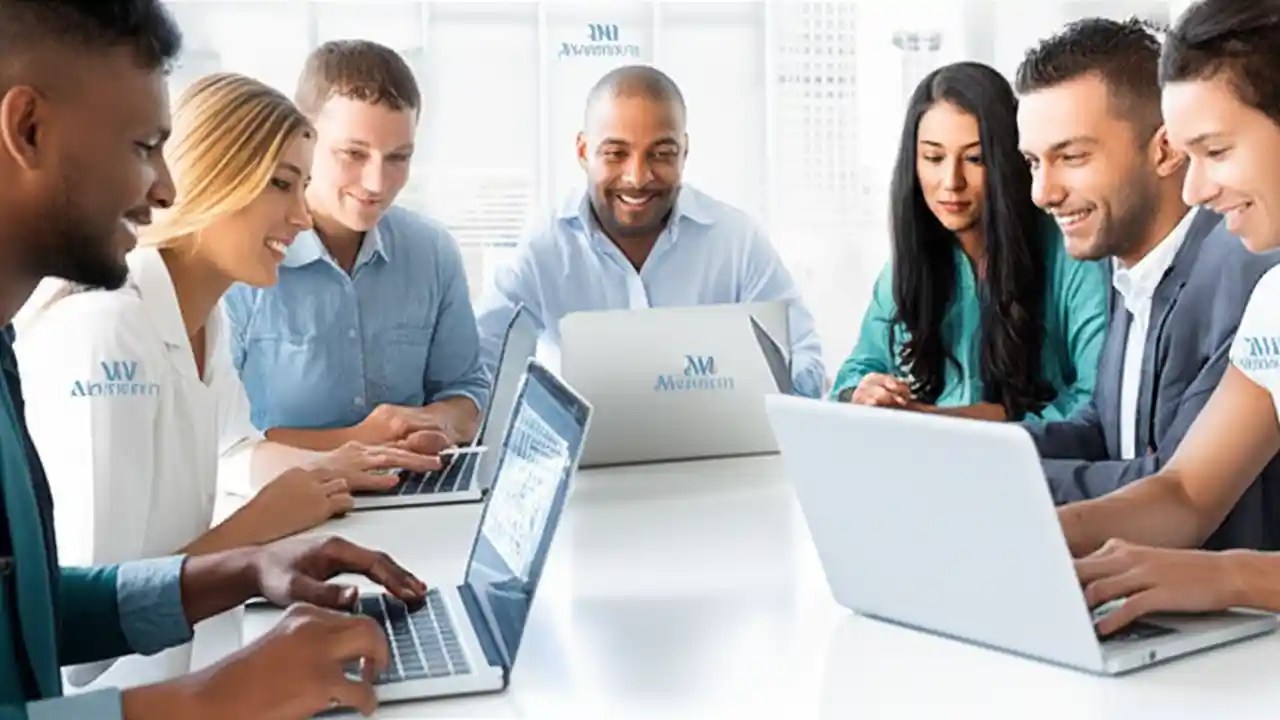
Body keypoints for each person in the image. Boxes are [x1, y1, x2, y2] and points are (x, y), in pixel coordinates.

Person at [0, 1, 427, 717]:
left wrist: (246, 568)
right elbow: (76, 667)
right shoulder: (100, 334)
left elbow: (37, 611)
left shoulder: (14, 351)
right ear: (28, 130)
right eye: (142, 146)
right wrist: (219, 693)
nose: (166, 188)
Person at [1053, 0, 1280, 635]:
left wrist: (1234, 576)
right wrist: (1032, 528)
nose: (1194, 190)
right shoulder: (1274, 304)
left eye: (1215, 151)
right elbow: (1186, 494)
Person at [473, 64, 826, 398]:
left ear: (684, 152)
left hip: (715, 440)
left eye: (661, 154)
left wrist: (763, 395)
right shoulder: (546, 247)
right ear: (583, 151)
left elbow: (803, 356)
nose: (638, 177)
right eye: (615, 153)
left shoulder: (736, 241)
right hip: (586, 443)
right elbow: (482, 365)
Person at [223, 40, 487, 450]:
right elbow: (222, 440)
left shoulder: (433, 252)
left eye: (398, 158)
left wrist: (432, 423)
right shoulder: (241, 262)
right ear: (301, 138)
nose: (377, 184)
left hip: (412, 481)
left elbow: (467, 391)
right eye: (353, 153)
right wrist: (359, 442)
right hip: (285, 485)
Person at [830, 62, 1109, 422]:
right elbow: (854, 372)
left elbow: (1096, 402)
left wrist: (945, 421)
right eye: (933, 158)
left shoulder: (1072, 256)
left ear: (1009, 160)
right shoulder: (907, 267)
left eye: (975, 159)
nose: (952, 181)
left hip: (1038, 456)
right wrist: (861, 393)